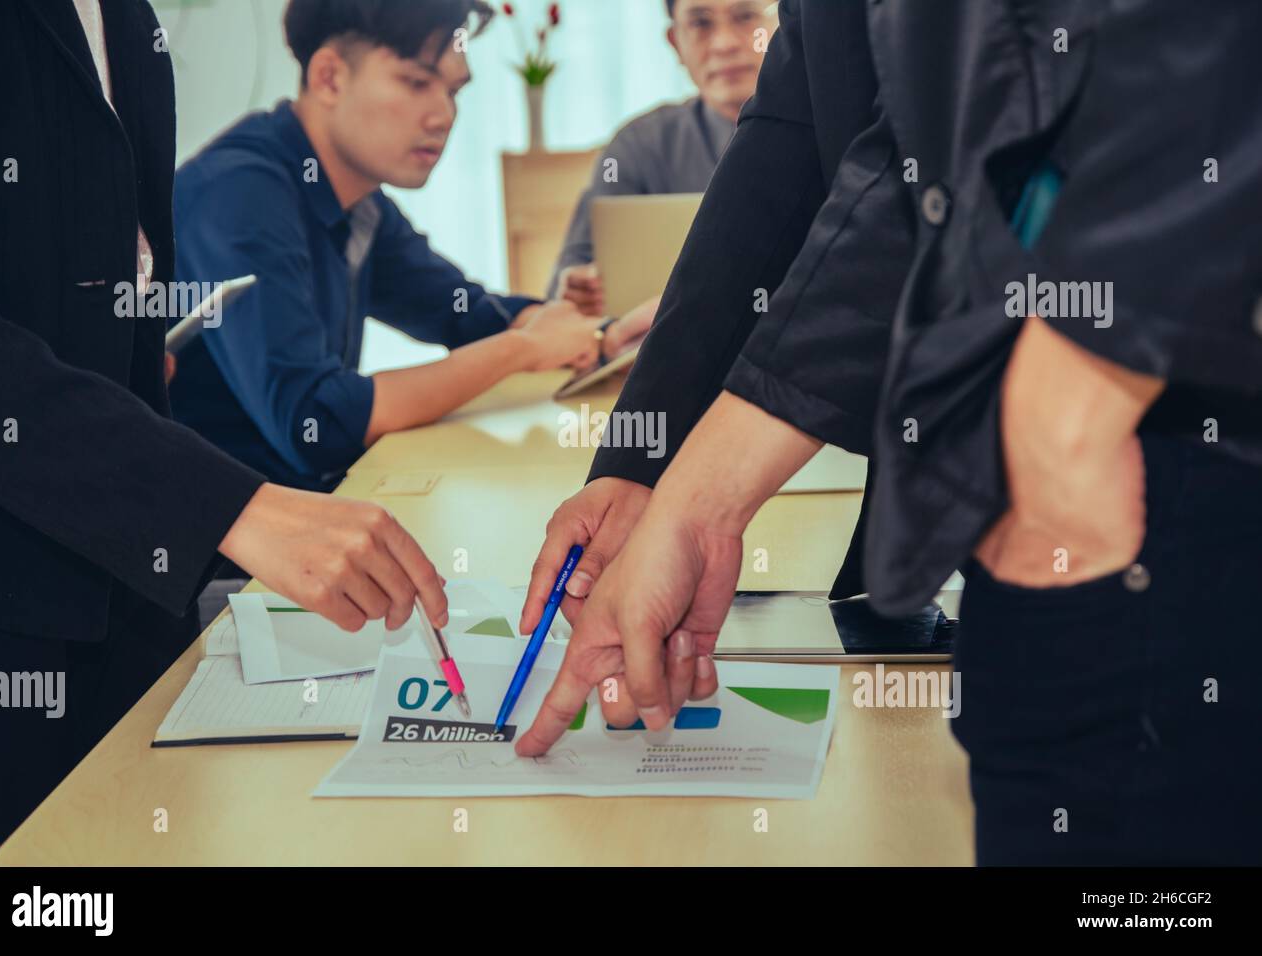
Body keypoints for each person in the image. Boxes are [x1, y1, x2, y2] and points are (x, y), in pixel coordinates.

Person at [515, 0, 1262, 865]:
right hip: (1031, 482)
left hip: (1163, 456)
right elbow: (829, 157)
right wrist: (672, 486)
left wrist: (1069, 411)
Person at [0, 0, 452, 865]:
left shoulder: (131, 26)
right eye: (417, 82)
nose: (442, 112)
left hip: (137, 595)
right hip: (2, 623)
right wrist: (227, 506)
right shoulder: (249, 182)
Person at [169, 0, 638, 493]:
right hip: (219, 553)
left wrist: (600, 336)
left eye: (454, 91)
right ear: (330, 77)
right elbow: (315, 423)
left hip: (313, 511)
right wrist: (522, 348)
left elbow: (464, 313)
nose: (443, 115)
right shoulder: (239, 193)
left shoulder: (359, 201)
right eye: (417, 83)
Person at [548, 0, 774, 319]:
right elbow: (570, 281)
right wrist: (576, 294)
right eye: (700, 23)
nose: (725, 43)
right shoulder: (638, 147)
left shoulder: (843, 133)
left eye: (745, 16)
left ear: (787, 24)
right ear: (675, 43)